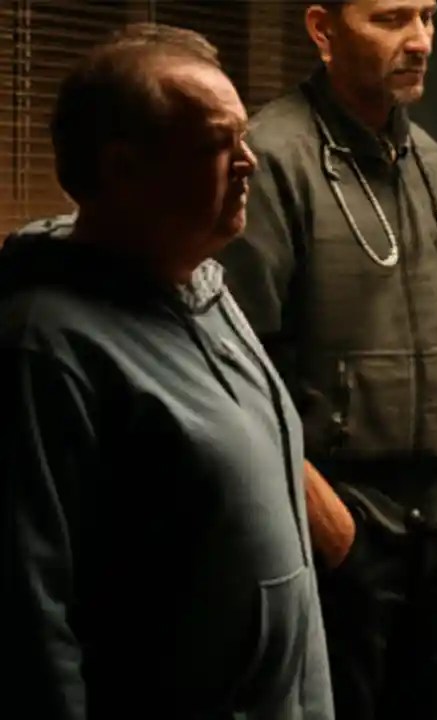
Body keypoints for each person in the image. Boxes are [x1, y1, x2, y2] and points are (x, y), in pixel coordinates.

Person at [0, 23, 334, 719]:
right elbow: (29, 613)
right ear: (123, 169)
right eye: (218, 144)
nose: (249, 163)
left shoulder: (205, 289)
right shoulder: (44, 346)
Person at [214, 1, 437, 718]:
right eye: (390, 19)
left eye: (427, 16)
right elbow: (238, 368)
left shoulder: (426, 159)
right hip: (342, 520)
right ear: (323, 29)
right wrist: (323, 516)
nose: (419, 41)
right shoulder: (272, 156)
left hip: (435, 518)